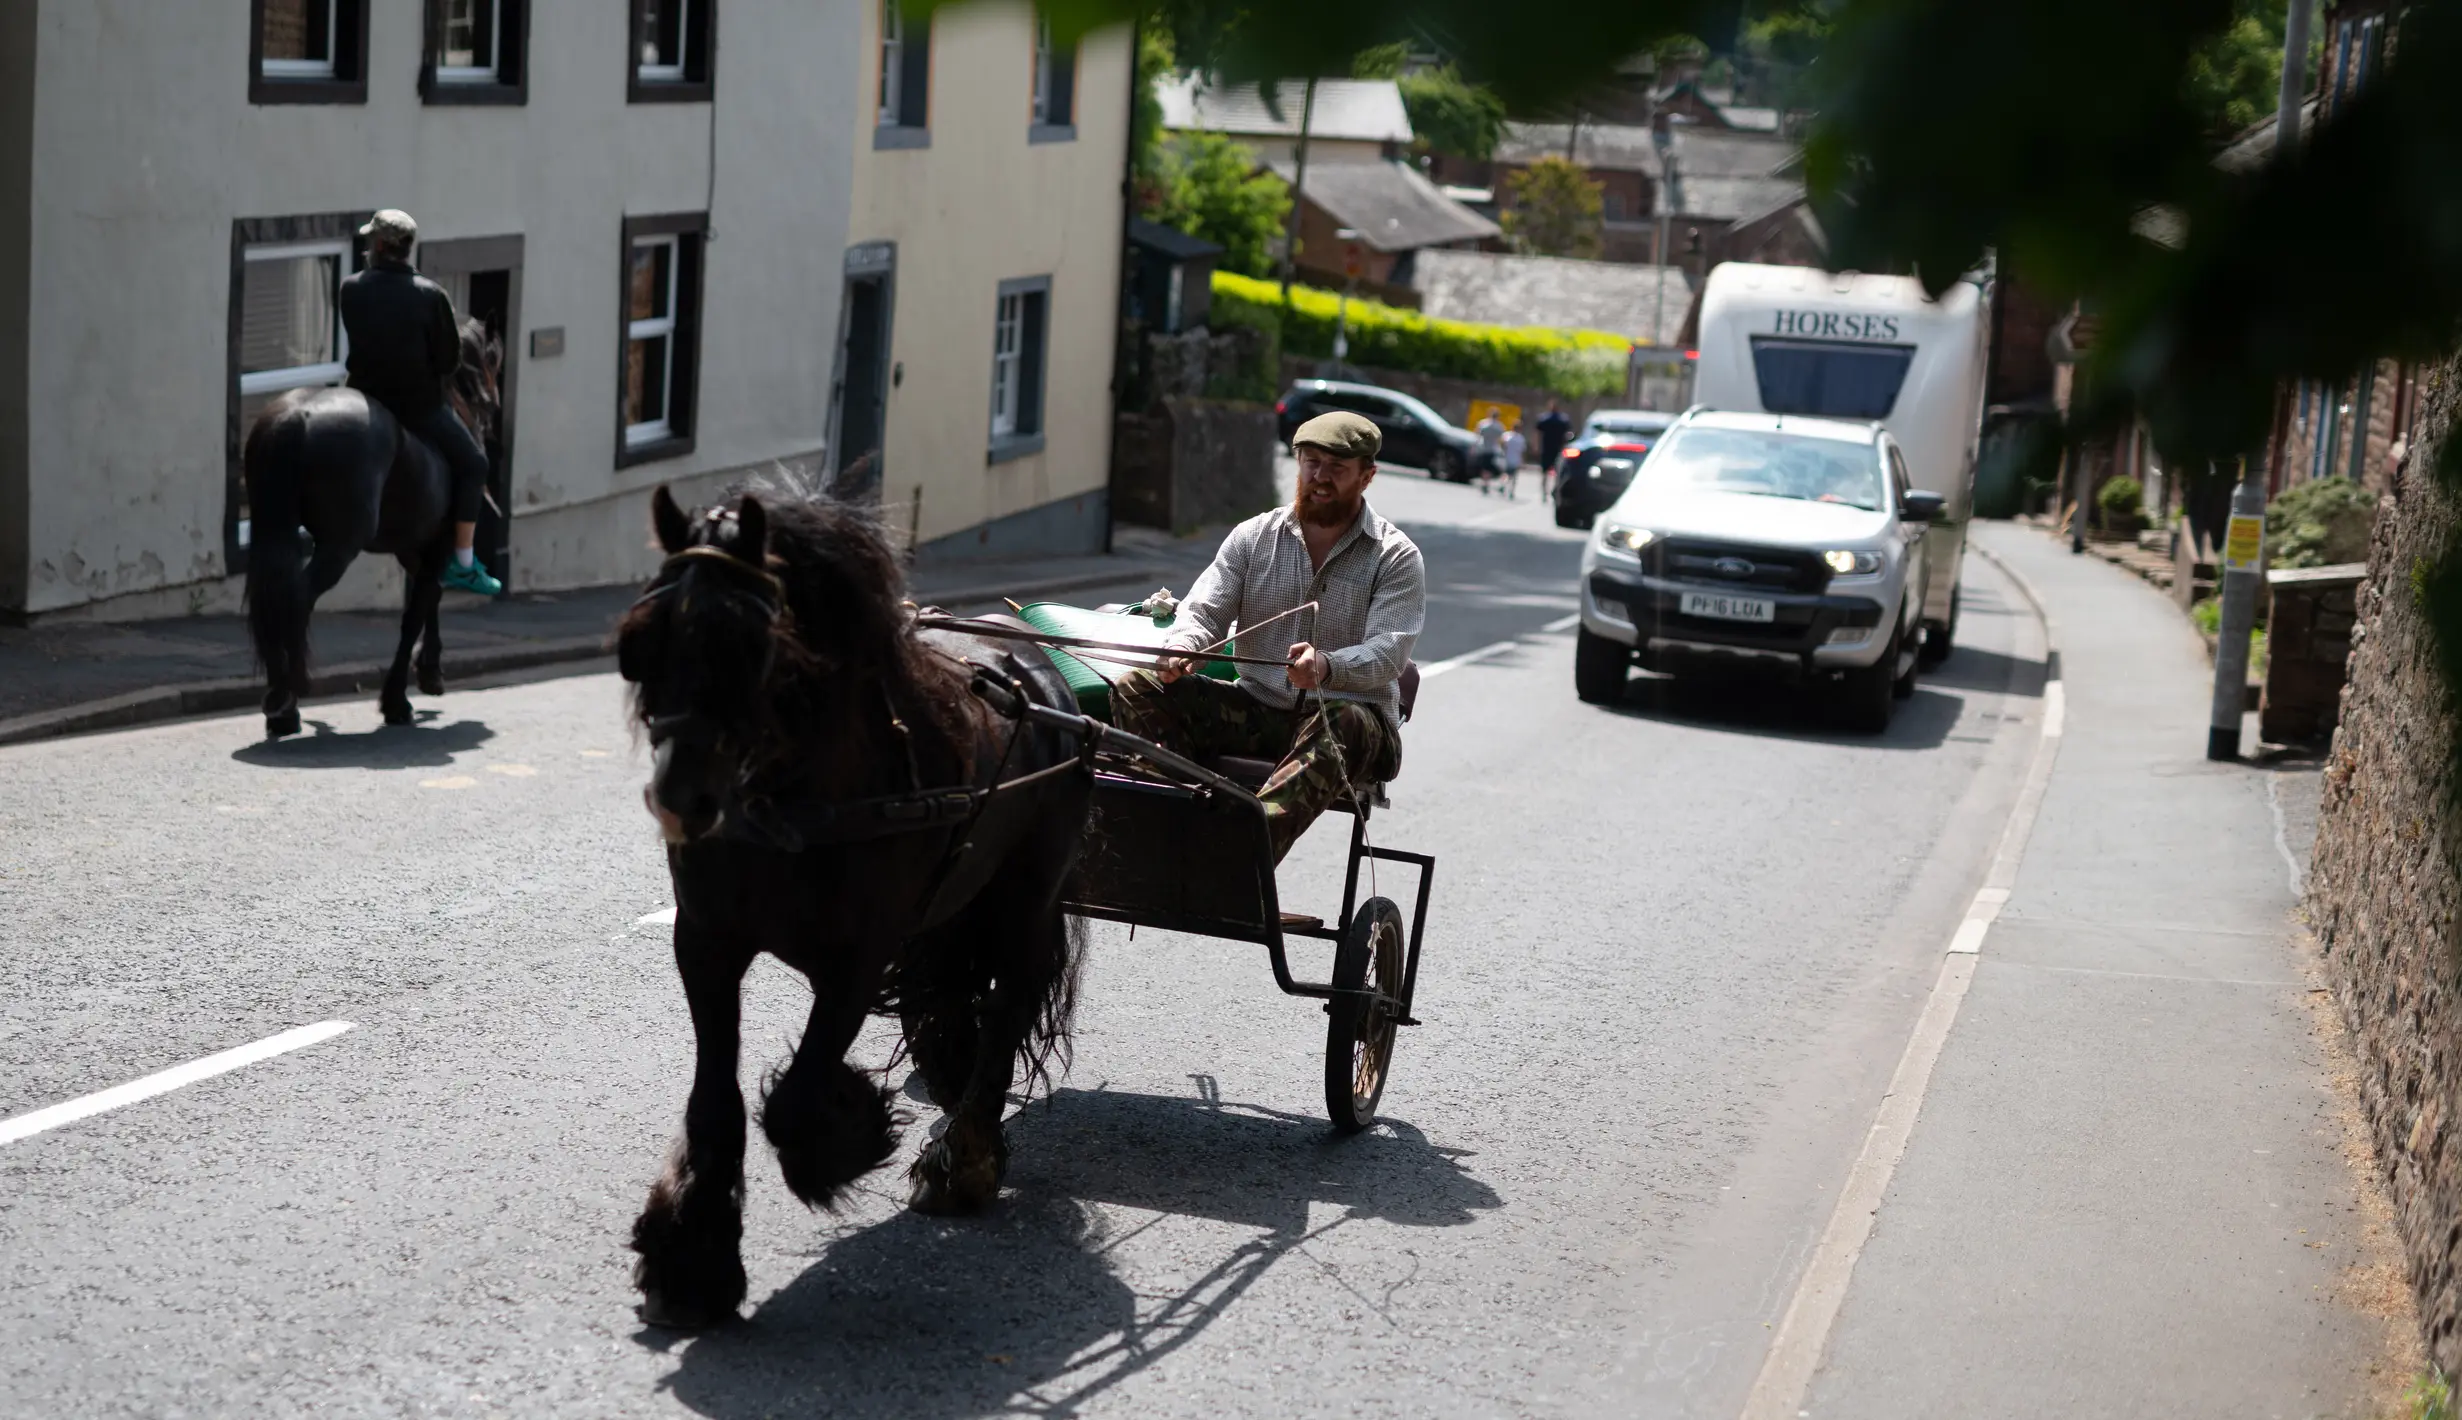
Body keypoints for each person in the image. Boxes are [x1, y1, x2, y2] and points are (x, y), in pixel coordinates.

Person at [1111, 411, 1425, 862]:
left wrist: (1327, 665)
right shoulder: (1253, 536)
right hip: (1259, 710)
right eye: (1311, 462)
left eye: (1337, 468)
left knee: (1345, 717)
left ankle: (1239, 856)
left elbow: (1389, 652)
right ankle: (1164, 832)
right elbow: (1204, 610)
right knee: (1137, 686)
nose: (1320, 477)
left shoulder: (1395, 556)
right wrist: (1185, 648)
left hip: (1350, 724)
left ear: (1367, 476)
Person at [337, 209, 501, 596]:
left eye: (368, 241)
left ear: (379, 246)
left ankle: (309, 523)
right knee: (476, 464)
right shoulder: (431, 295)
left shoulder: (350, 288)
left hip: (363, 400)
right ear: (406, 249)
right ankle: (463, 564)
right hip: (417, 408)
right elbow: (449, 362)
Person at [1534, 399, 1574, 498]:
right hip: (1558, 448)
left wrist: (1537, 446)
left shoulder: (1544, 419)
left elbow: (1537, 434)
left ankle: (1545, 492)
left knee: (1545, 472)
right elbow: (1568, 434)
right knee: (1557, 471)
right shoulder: (1562, 420)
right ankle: (1553, 490)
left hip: (1547, 448)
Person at [1474, 409, 1506, 494]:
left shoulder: (1483, 424)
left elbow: (1477, 435)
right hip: (1494, 449)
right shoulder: (1499, 426)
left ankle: (1484, 483)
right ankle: (1487, 483)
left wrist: (1474, 447)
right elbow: (1502, 439)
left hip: (1484, 448)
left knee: (1484, 467)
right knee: (1490, 468)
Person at [1500, 422, 1528, 501]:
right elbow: (1523, 451)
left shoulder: (1507, 436)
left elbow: (1502, 445)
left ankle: (1503, 485)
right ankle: (1511, 491)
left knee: (1506, 474)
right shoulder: (1521, 438)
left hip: (1507, 458)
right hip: (1516, 459)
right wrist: (1523, 461)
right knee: (1514, 476)